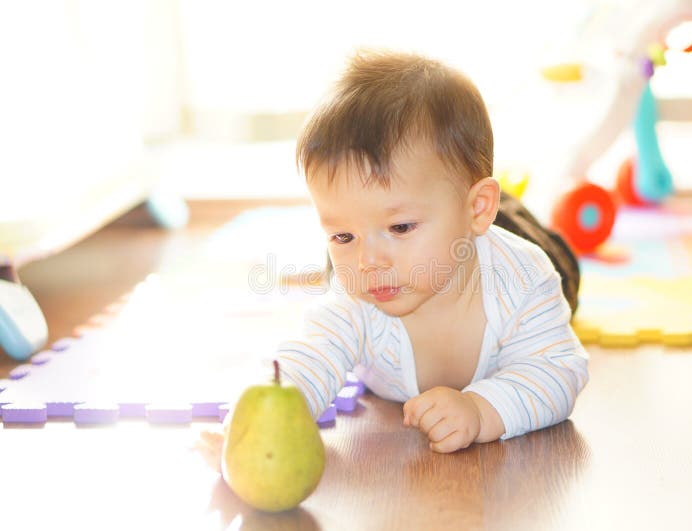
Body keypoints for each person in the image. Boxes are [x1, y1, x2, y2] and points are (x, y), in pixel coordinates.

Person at [201, 50, 588, 460]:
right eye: (342, 234)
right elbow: (307, 358)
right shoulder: (357, 297)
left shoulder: (523, 280)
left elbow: (557, 371)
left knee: (558, 269)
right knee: (349, 263)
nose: (370, 261)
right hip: (442, 235)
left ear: (477, 208)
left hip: (497, 240)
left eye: (400, 227)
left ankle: (492, 210)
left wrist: (481, 409)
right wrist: (258, 423)